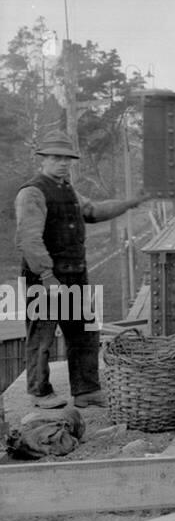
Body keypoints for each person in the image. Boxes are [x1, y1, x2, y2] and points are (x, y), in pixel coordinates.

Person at [15, 131, 148, 409]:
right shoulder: (33, 192)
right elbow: (29, 239)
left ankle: (86, 391)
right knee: (42, 336)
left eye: (67, 159)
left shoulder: (68, 189)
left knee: (84, 333)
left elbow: (95, 211)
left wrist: (131, 202)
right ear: (43, 160)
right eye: (56, 158)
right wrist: (47, 276)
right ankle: (39, 392)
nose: (62, 163)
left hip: (75, 274)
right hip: (46, 278)